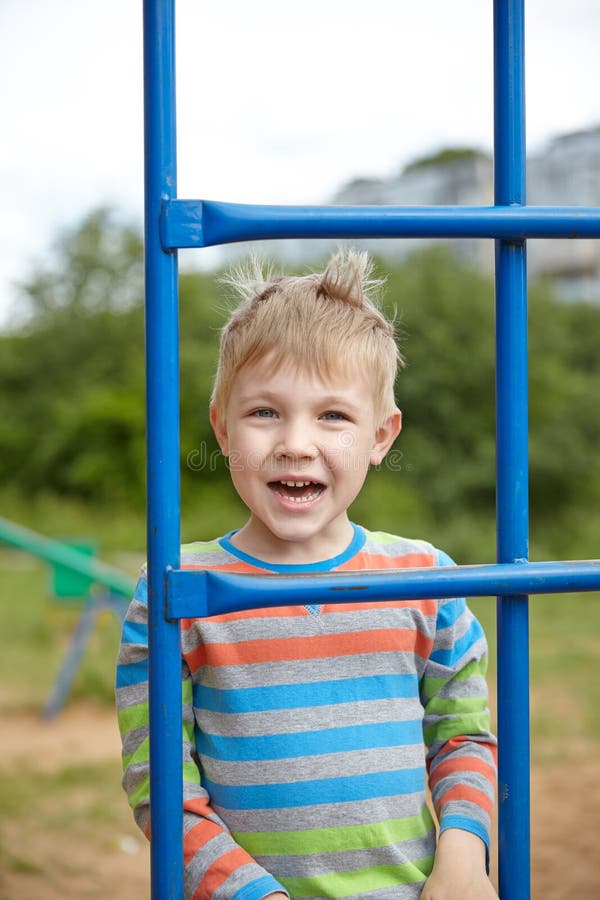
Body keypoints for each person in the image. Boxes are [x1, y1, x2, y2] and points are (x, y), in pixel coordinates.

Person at [116, 249, 498, 900]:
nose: (296, 441)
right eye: (264, 412)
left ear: (381, 435)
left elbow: (462, 734)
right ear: (223, 427)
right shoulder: (179, 592)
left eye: (333, 415)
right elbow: (163, 786)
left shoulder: (424, 580)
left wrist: (464, 858)